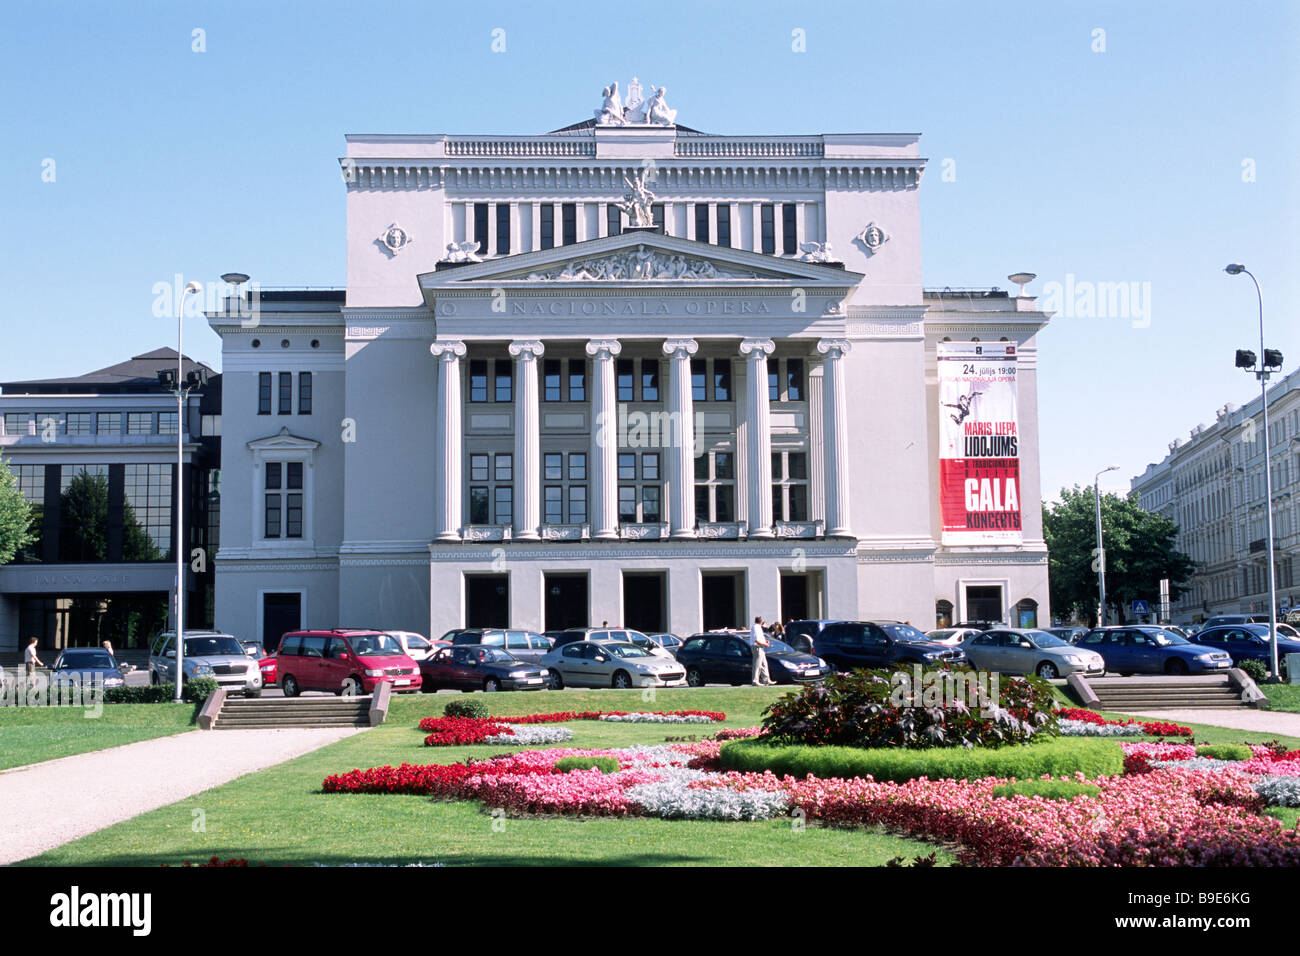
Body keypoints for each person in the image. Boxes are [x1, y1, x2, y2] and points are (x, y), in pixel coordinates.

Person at [749, 616, 774, 686]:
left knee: (764, 664)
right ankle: (755, 681)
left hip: (760, 647)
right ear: (761, 621)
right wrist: (765, 644)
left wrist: (765, 641)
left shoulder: (757, 627)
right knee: (757, 665)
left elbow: (758, 638)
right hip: (757, 647)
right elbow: (756, 640)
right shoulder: (756, 627)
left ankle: (766, 680)